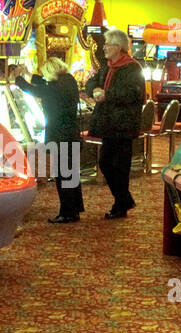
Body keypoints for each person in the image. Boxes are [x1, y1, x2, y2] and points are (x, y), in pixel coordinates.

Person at [11, 57, 84, 223]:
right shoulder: (68, 80)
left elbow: (37, 90)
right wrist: (29, 74)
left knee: (63, 175)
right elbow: (44, 84)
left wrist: (18, 78)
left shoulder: (55, 88)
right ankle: (74, 209)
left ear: (51, 71)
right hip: (70, 132)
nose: (43, 76)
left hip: (60, 134)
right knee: (71, 174)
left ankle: (67, 212)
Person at [88, 28, 144, 219]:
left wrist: (107, 95)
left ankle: (121, 204)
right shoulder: (107, 65)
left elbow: (133, 94)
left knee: (119, 166)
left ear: (118, 47)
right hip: (108, 123)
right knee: (105, 163)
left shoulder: (132, 68)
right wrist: (94, 89)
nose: (104, 48)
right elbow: (91, 82)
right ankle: (123, 200)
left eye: (108, 45)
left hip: (123, 125)